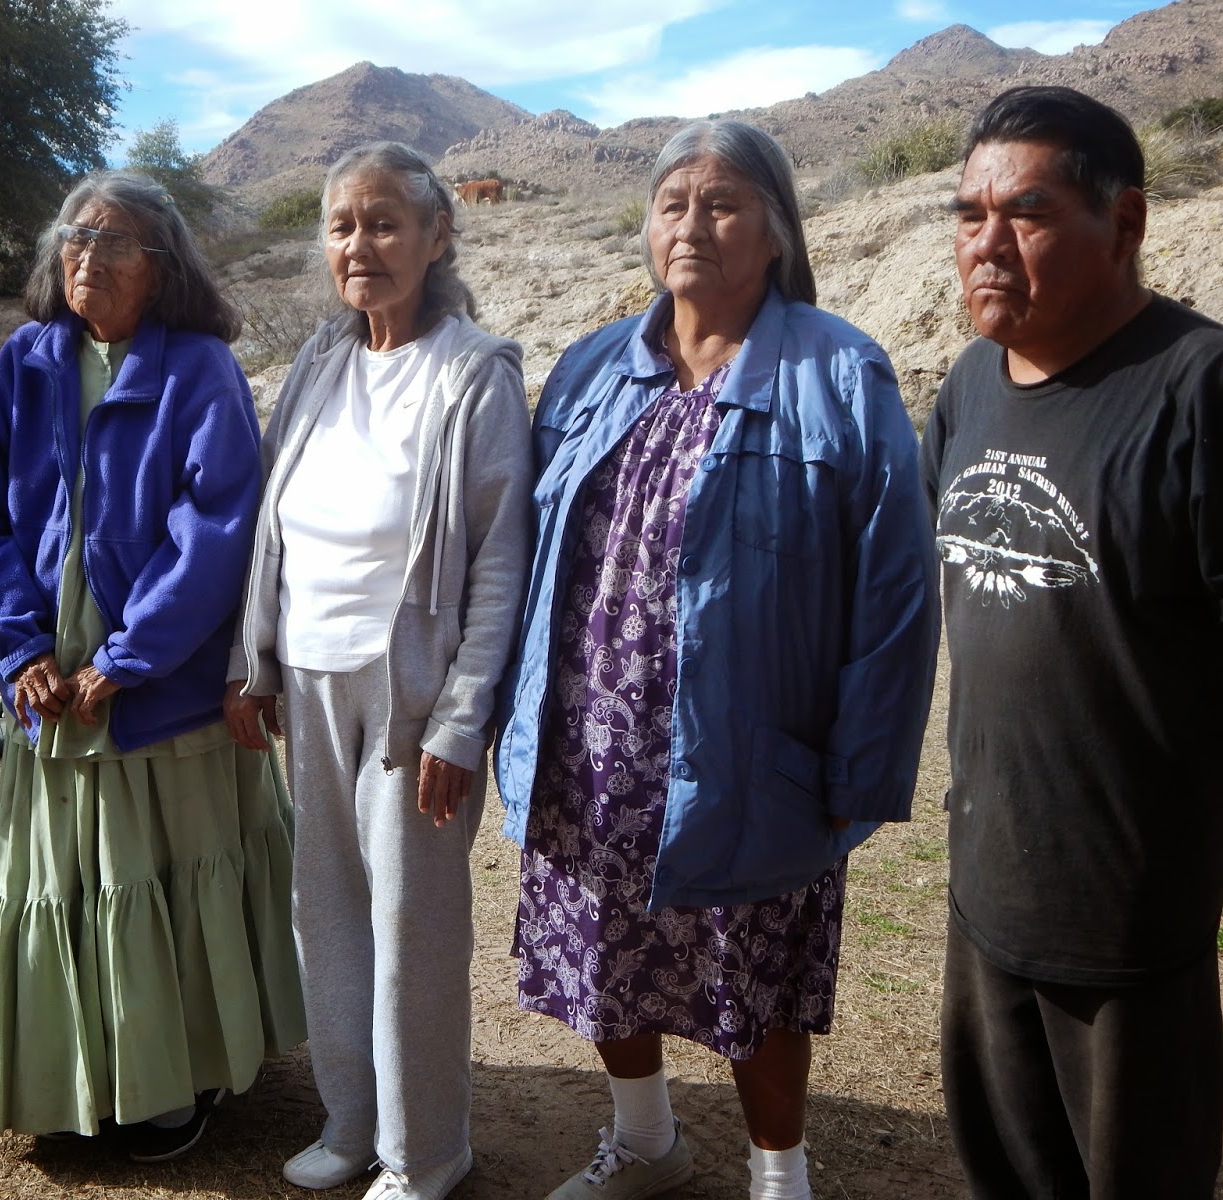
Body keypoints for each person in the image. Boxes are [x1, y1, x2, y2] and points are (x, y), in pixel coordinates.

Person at [495, 120, 939, 1200]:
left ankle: (776, 1175)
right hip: (593, 743)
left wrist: (860, 770)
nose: (692, 224)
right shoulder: (596, 365)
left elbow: (894, 590)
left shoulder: (839, 371)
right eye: (672, 203)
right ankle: (644, 1145)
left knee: (754, 972)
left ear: (777, 232)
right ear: (647, 227)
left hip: (747, 744)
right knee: (606, 956)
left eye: (724, 201)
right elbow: (527, 554)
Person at [0, 170, 304, 1160]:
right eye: (73, 238)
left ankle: (170, 1084)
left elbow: (216, 530)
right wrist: (19, 649)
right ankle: (73, 1083)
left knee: (158, 874)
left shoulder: (199, 371)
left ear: (162, 268)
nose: (85, 258)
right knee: (63, 877)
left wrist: (129, 657)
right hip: (51, 688)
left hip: (158, 688)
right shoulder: (27, 361)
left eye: (113, 243)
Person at [922, 85, 1223, 1199]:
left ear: (1126, 223)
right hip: (986, 897)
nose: (986, 246)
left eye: (1029, 214)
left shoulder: (1195, 388)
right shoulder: (965, 389)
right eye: (967, 216)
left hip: (1131, 930)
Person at [224, 141, 531, 1200]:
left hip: (408, 697)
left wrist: (460, 719)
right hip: (306, 676)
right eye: (344, 226)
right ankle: (351, 1123)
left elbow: (500, 564)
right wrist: (251, 657)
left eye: (386, 222)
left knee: (413, 930)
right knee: (328, 913)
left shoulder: (472, 372)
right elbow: (271, 530)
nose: (363, 245)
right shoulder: (317, 362)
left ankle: (424, 1154)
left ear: (436, 236)